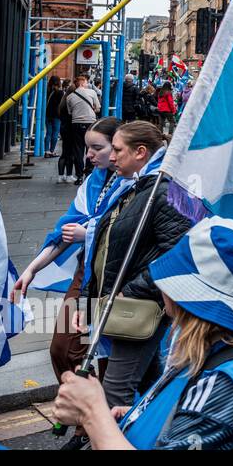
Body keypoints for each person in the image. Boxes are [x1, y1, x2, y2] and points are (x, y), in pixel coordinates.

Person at [51, 217, 233, 450]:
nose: (162, 285)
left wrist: (93, 414)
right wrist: (142, 418)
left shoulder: (224, 382)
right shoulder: (218, 342)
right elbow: (188, 412)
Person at [14, 118, 129, 408]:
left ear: (120, 147)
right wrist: (31, 269)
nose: (88, 154)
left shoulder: (139, 182)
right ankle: (84, 416)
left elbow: (133, 231)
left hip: (118, 278)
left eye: (97, 148)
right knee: (63, 348)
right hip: (87, 273)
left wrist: (88, 232)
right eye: (89, 147)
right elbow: (63, 232)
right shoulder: (93, 181)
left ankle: (91, 423)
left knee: (101, 355)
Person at [87, 121, 194, 408]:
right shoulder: (137, 186)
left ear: (141, 153)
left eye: (118, 150)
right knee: (150, 383)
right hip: (127, 302)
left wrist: (132, 290)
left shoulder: (162, 190)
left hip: (140, 307)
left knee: (115, 391)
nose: (112, 157)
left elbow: (176, 252)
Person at [62, 75, 102, 185]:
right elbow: (98, 108)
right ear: (83, 83)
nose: (88, 84)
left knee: (78, 150)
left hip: (76, 124)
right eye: (87, 82)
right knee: (90, 148)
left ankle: (79, 176)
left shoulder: (69, 97)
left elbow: (70, 112)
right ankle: (88, 173)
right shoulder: (92, 93)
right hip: (90, 123)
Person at [45, 76, 63, 157]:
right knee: (55, 133)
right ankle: (52, 151)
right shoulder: (60, 92)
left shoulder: (47, 91)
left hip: (47, 114)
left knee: (48, 133)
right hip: (56, 116)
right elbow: (61, 105)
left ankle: (46, 151)